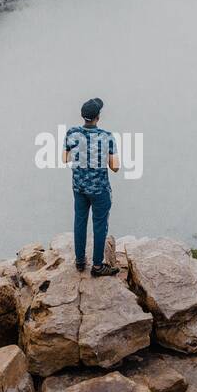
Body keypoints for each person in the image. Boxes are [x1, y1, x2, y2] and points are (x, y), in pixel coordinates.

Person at [63, 97, 120, 275]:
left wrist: (83, 157)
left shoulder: (71, 133)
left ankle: (80, 261)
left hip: (79, 187)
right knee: (100, 225)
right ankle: (97, 266)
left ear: (83, 115)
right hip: (99, 189)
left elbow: (65, 159)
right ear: (98, 117)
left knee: (80, 221)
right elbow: (115, 167)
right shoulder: (106, 136)